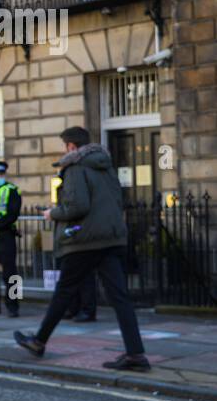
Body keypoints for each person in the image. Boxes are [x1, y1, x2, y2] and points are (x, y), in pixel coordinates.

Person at [14, 126, 148, 371]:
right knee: (120, 297)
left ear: (71, 146)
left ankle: (39, 341)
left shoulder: (75, 167)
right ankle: (136, 353)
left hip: (84, 240)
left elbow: (78, 206)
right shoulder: (106, 166)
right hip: (112, 238)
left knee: (64, 291)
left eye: (65, 146)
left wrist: (51, 213)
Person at [0, 161, 21, 318]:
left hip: (5, 236)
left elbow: (12, 214)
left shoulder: (12, 191)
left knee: (11, 274)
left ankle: (13, 305)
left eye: (1, 174)